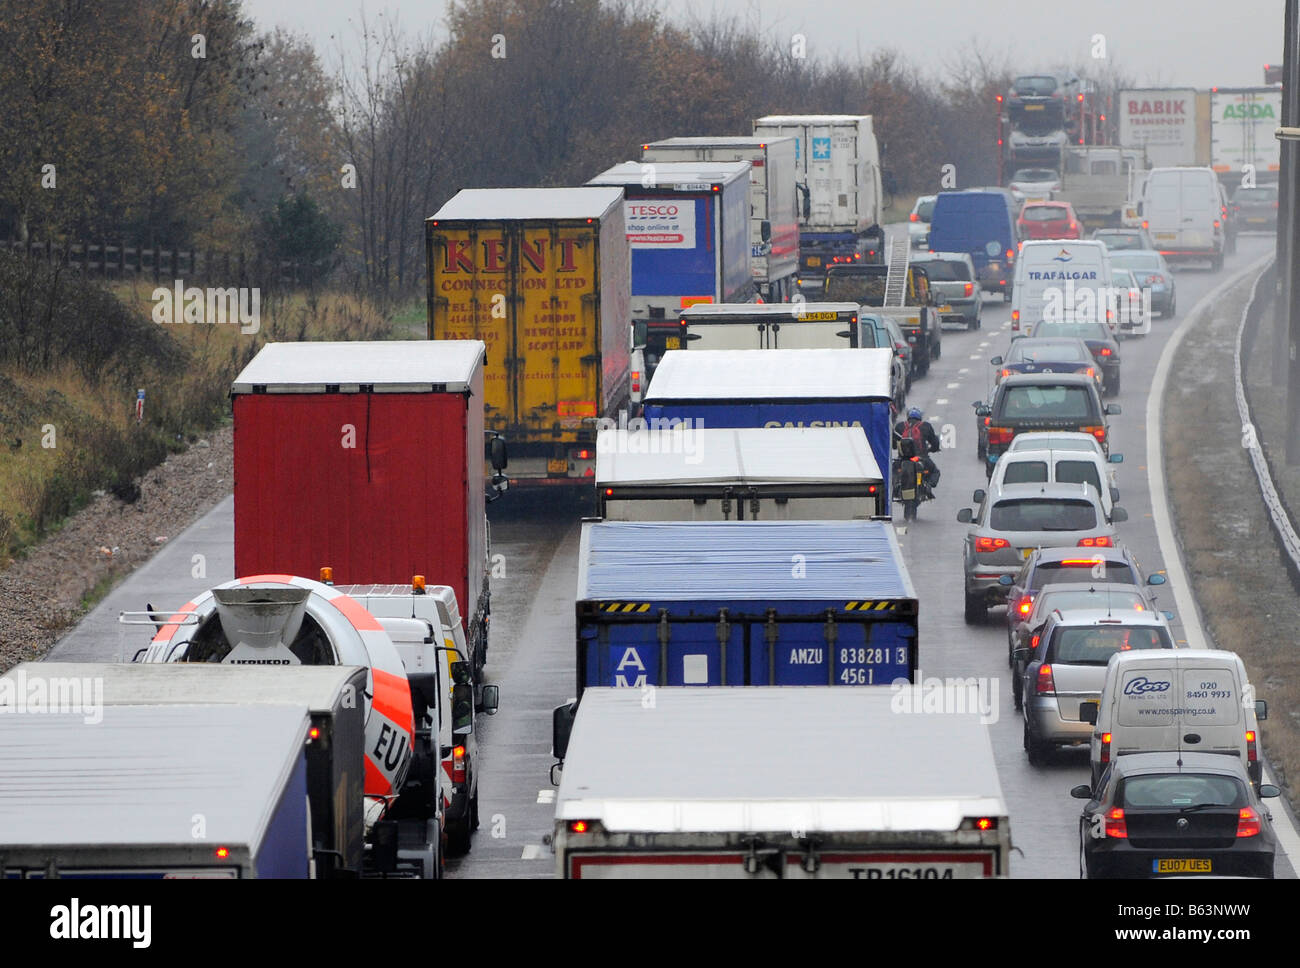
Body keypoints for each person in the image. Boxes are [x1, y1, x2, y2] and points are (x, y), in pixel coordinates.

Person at [895, 407, 941, 493]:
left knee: (892, 471)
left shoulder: (900, 426)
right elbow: (935, 443)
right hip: (921, 458)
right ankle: (928, 486)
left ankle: (895, 486)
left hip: (902, 460)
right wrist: (932, 449)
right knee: (935, 471)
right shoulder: (926, 426)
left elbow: (893, 445)